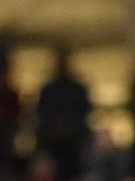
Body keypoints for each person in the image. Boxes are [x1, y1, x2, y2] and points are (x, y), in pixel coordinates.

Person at [35, 49, 93, 181]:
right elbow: (41, 112)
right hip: (52, 135)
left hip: (74, 135)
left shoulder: (78, 89)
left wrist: (69, 124)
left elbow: (85, 111)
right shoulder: (48, 89)